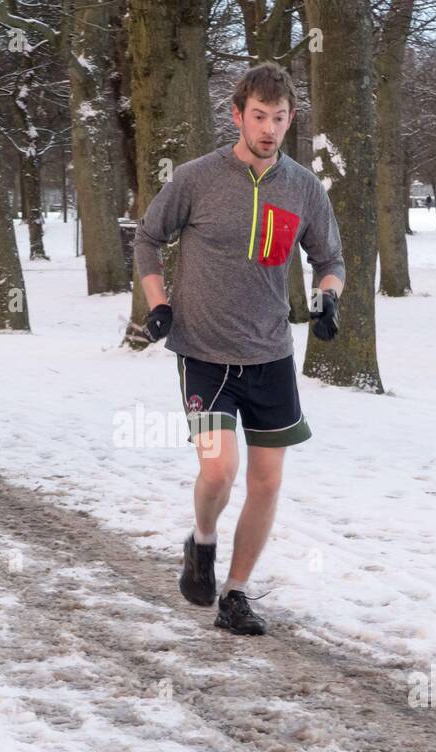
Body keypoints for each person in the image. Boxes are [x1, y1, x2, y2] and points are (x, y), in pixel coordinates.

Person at [131, 62, 345, 636]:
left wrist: (328, 298)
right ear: (237, 115)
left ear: (291, 118)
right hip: (204, 350)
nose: (269, 128)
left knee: (268, 482)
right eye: (258, 116)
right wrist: (158, 304)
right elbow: (148, 238)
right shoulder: (197, 179)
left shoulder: (303, 187)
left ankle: (235, 594)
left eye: (279, 118)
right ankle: (201, 544)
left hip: (271, 354)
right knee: (220, 471)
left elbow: (330, 261)